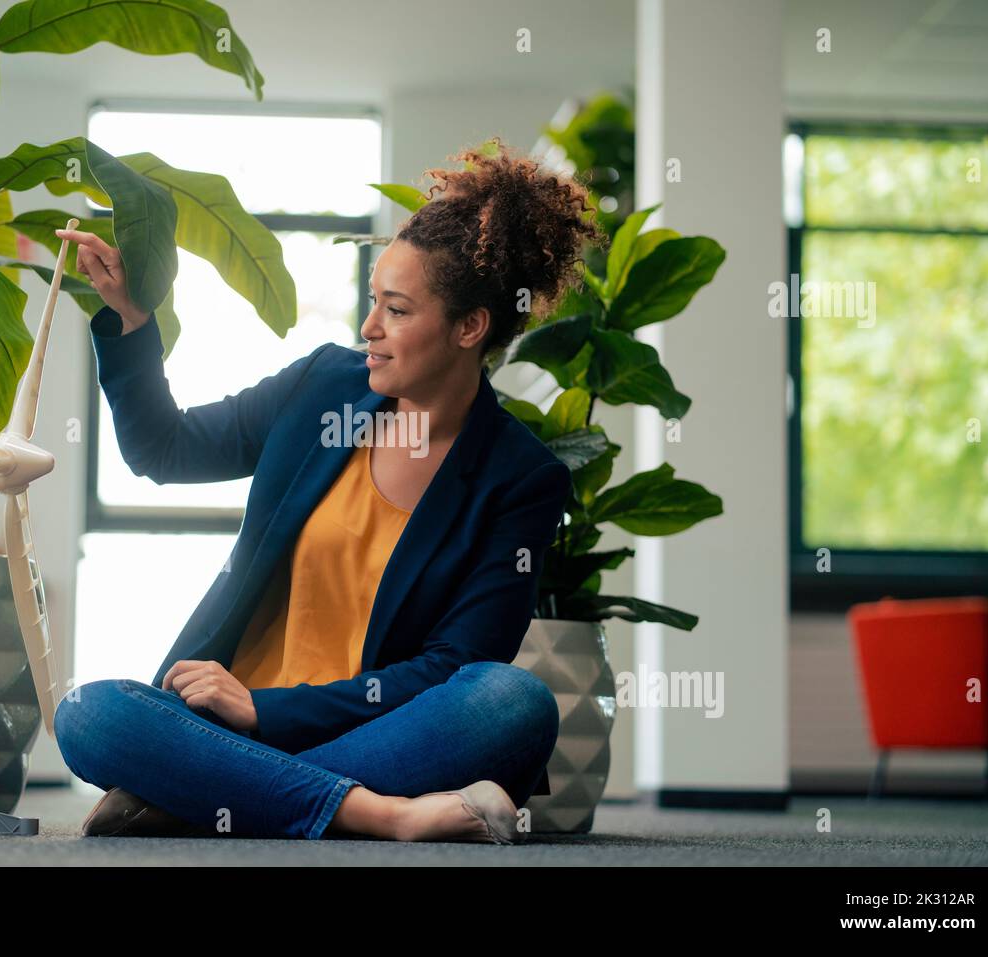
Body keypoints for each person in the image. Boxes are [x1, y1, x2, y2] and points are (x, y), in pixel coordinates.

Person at [52, 136, 605, 843]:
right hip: (222, 719)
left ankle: (206, 797)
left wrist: (265, 713)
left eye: (398, 311)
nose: (369, 328)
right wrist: (132, 319)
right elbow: (165, 449)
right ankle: (377, 813)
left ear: (470, 327)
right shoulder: (324, 387)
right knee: (89, 713)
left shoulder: (520, 476)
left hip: (364, 729)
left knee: (512, 701)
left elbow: (452, 666)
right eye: (374, 301)